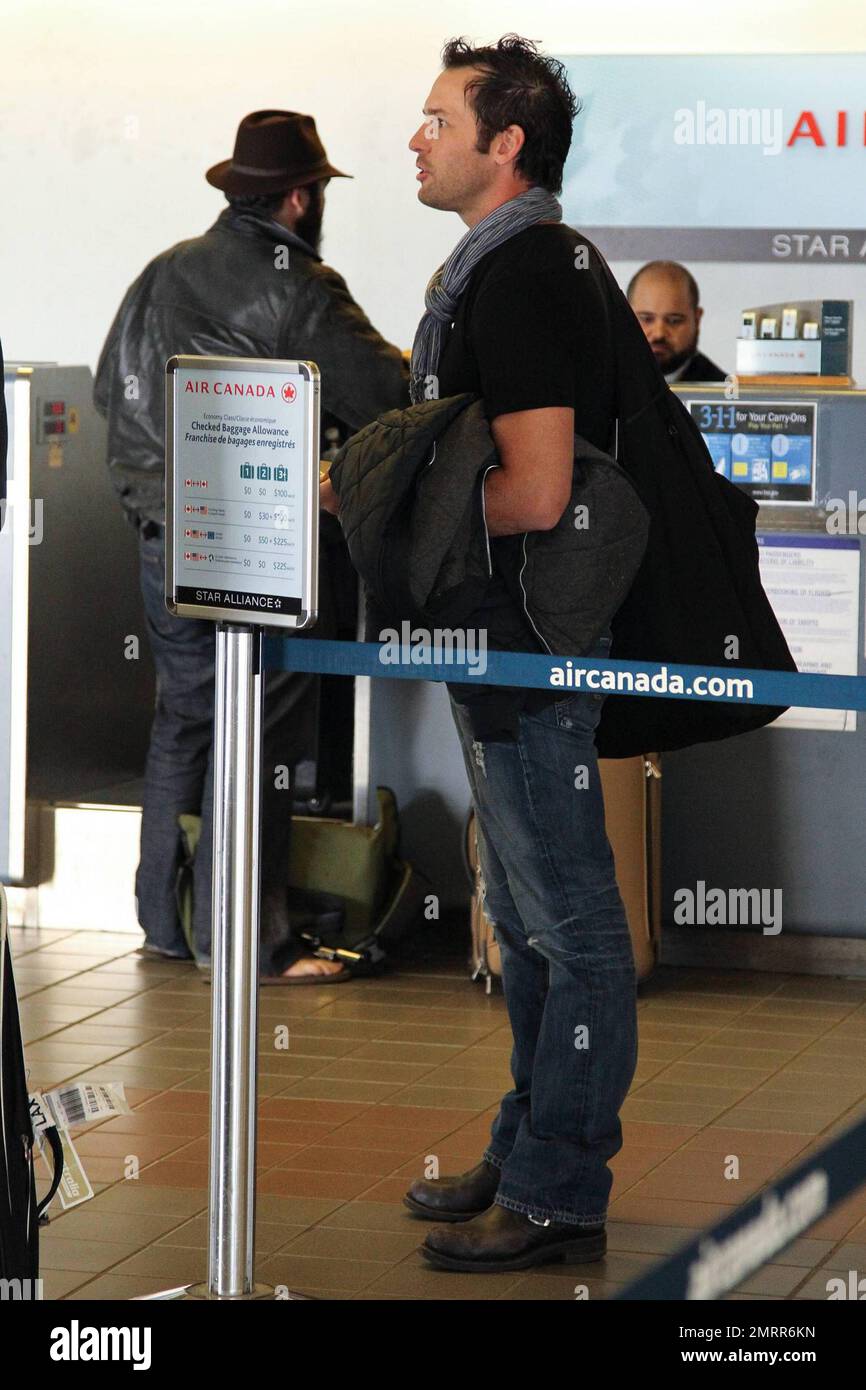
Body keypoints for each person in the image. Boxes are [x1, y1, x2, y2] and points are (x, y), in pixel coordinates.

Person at [326, 33, 640, 1272]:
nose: (414, 137)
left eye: (434, 119)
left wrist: (378, 505)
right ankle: (526, 1149)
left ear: (503, 145)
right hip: (501, 644)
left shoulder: (520, 279)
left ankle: (560, 1192)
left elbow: (539, 489)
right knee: (520, 911)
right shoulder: (492, 271)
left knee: (571, 927)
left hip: (530, 648)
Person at [96, 110, 408, 983]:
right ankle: (254, 942)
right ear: (301, 200)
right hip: (262, 543)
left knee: (186, 720)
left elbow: (106, 389)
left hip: (168, 532)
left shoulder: (163, 273)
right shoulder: (299, 286)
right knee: (262, 737)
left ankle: (166, 922)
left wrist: (151, 505)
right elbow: (387, 391)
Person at [627, 260, 726, 383]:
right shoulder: (603, 381)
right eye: (646, 319)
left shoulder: (721, 393)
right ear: (625, 316)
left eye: (674, 321)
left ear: (697, 319)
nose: (659, 334)